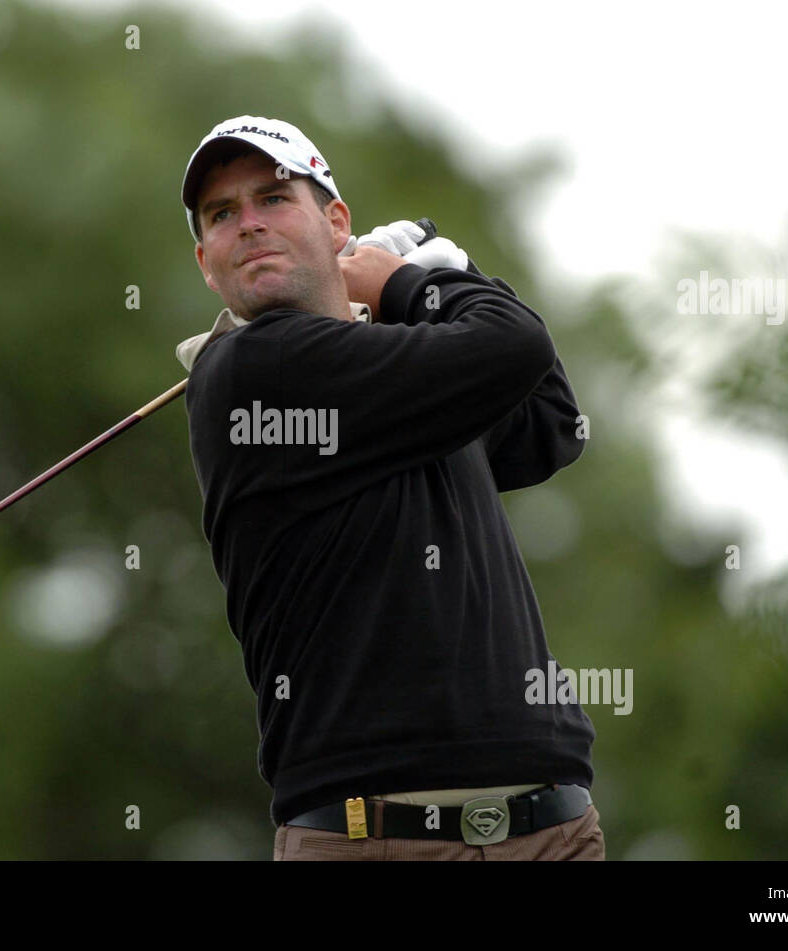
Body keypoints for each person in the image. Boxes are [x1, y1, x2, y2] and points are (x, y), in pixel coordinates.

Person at [176, 115, 604, 861]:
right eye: (223, 214)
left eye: (274, 198)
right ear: (207, 263)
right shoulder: (249, 372)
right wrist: (418, 279)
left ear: (336, 223)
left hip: (550, 830)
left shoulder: (399, 371)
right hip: (373, 837)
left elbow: (552, 424)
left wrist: (437, 285)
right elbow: (515, 343)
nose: (249, 224)